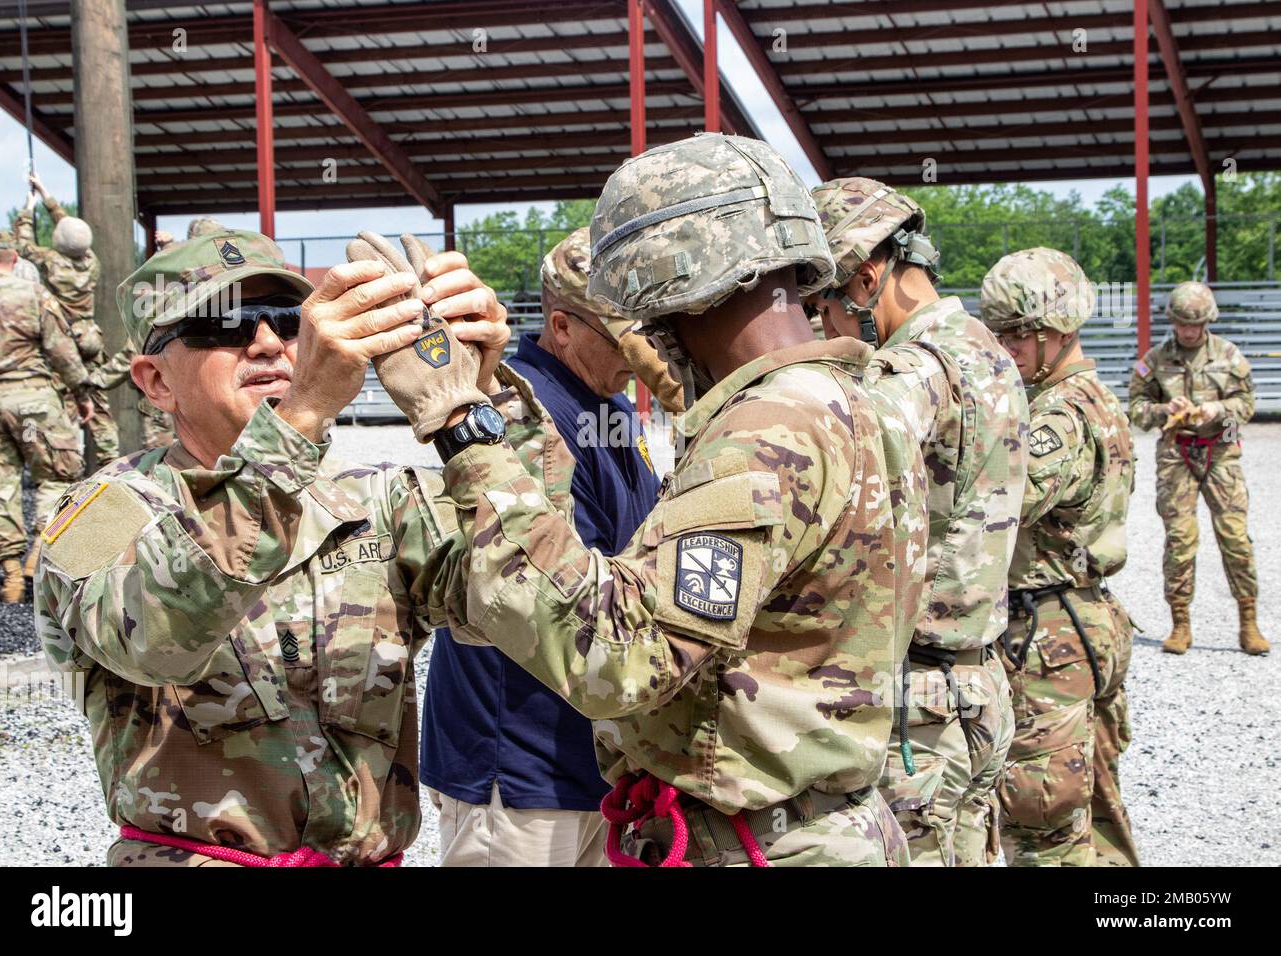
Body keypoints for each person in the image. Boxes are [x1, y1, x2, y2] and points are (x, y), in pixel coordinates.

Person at [415, 132, 929, 867]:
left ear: (674, 280)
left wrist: (465, 425)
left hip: (754, 839)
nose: (643, 344)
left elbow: (620, 654)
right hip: (819, 822)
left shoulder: (769, 427)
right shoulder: (861, 399)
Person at [34, 228, 512, 867]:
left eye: (289, 321)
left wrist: (475, 400)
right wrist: (303, 414)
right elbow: (157, 634)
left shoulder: (378, 503)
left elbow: (526, 594)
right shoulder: (101, 514)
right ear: (155, 382)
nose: (265, 343)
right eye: (220, 327)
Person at [421, 227, 661, 866]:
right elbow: (545, 587)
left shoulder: (605, 405)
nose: (644, 354)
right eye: (625, 337)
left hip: (585, 749)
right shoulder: (522, 414)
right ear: (563, 326)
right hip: (521, 761)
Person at [807, 177, 1027, 866]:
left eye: (824, 305)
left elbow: (838, 484)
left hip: (921, 705)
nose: (825, 325)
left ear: (867, 279)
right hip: (979, 680)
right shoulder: (985, 347)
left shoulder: (913, 368)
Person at [979, 248, 1140, 867]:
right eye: (1000, 332)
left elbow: (995, 499)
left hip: (1049, 636)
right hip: (1079, 619)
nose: (1008, 346)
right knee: (1093, 803)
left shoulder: (1061, 416)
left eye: (1021, 333)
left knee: (1041, 822)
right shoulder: (1091, 397)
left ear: (1061, 329)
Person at [1128, 281, 1268, 656]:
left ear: (1208, 322)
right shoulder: (1154, 360)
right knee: (1180, 541)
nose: (1190, 331)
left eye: (1197, 324)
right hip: (1177, 454)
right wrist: (1162, 410)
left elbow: (1247, 402)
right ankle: (1180, 624)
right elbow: (1136, 409)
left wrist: (1219, 410)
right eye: (1183, 324)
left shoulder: (1229, 355)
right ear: (1173, 321)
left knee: (1235, 537)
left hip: (1221, 451)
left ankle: (1248, 621)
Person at [0, 229, 92, 603]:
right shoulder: (32, 293)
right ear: (14, 258)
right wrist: (81, 391)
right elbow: (61, 350)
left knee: (2, 484)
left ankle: (10, 576)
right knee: (56, 474)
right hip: (33, 400)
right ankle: (38, 554)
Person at [16, 172, 119, 471]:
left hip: (64, 344)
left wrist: (29, 206)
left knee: (62, 403)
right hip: (91, 337)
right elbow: (70, 232)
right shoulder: (91, 263)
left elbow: (22, 245)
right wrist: (48, 195)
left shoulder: (52, 263)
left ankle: (64, 460)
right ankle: (110, 460)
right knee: (98, 405)